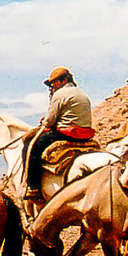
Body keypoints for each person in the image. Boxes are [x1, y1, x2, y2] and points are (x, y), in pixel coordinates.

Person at [24, 66, 94, 202]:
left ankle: (33, 187)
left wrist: (44, 121)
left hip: (67, 133)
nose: (52, 86)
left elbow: (50, 122)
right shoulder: (82, 93)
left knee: (33, 146)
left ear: (64, 80)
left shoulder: (60, 94)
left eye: (54, 82)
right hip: (85, 134)